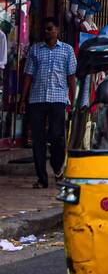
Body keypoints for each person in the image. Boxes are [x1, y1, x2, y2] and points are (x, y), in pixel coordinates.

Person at [21, 17, 77, 189]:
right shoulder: (35, 50)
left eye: (50, 29)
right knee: (37, 139)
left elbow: (71, 77)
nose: (47, 32)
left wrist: (72, 100)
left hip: (58, 99)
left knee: (57, 136)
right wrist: (23, 99)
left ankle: (57, 167)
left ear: (57, 30)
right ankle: (42, 178)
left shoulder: (67, 50)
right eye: (45, 29)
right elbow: (28, 76)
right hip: (37, 99)